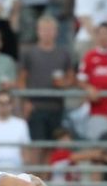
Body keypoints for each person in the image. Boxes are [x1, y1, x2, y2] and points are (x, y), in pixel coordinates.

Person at [17, 16, 74, 157]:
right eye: (44, 29)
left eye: (50, 29)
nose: (47, 33)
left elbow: (71, 78)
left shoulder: (64, 53)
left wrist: (64, 83)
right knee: (36, 147)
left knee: (53, 147)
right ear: (38, 31)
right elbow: (22, 80)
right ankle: (35, 178)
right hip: (36, 106)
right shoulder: (29, 53)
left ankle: (46, 179)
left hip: (57, 106)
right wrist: (26, 101)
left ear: (56, 32)